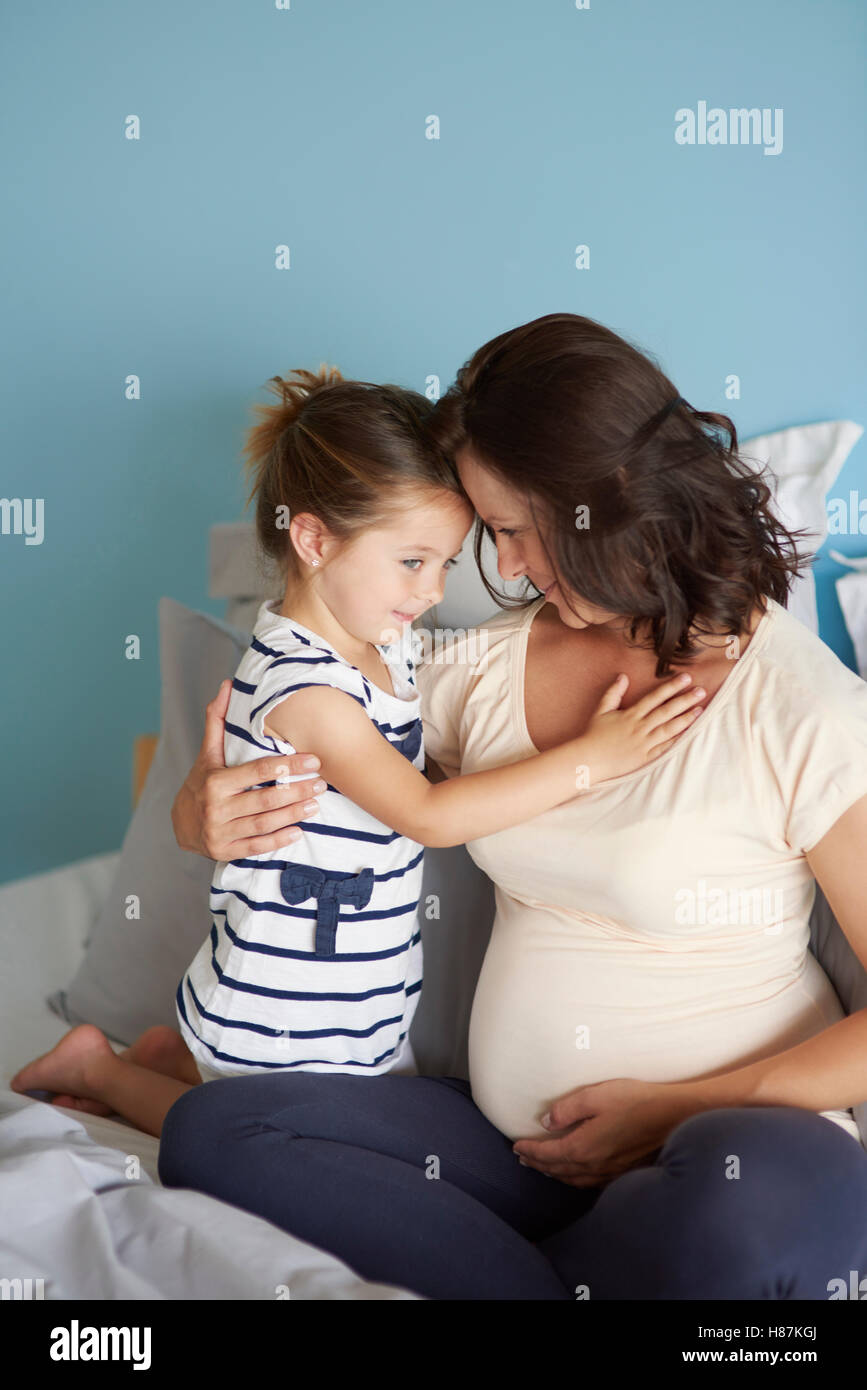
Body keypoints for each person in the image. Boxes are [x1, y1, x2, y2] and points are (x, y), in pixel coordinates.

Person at [159, 315, 867, 1301]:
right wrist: (201, 818)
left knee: (735, 1226)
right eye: (492, 534)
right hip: (518, 1159)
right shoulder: (482, 668)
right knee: (218, 1130)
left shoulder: (798, 703)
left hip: (733, 1151)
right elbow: (339, 762)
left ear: (605, 500)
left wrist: (672, 1109)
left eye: (518, 529)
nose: (515, 567)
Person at [9, 361, 700, 1139]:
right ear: (311, 539)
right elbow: (429, 814)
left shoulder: (384, 641)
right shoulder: (305, 694)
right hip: (281, 999)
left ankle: (165, 1061)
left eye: (444, 562)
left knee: (329, 1133)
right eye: (411, 561)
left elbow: (426, 751)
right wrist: (592, 760)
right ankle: (95, 1066)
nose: (433, 590)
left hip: (358, 991)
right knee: (257, 1141)